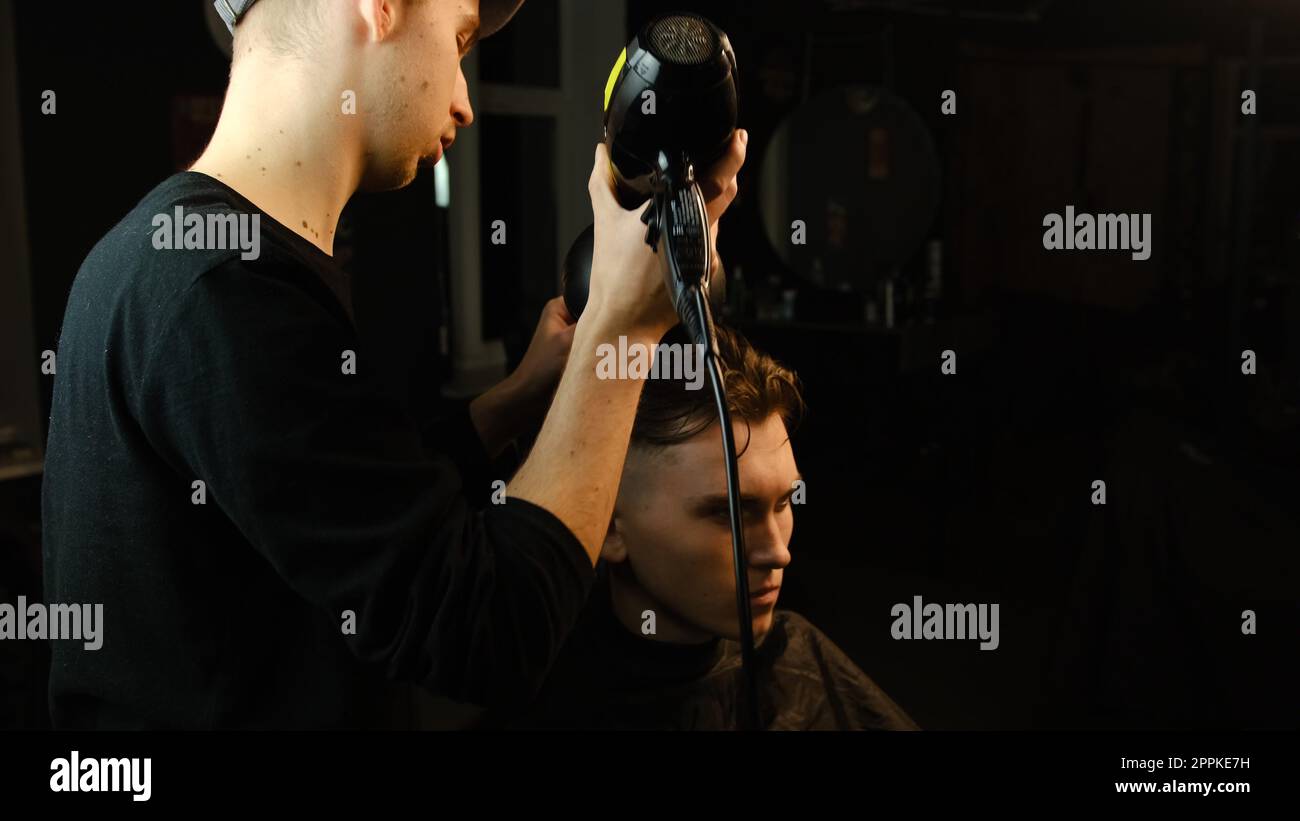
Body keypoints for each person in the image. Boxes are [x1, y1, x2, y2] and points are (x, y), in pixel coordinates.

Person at [40, 0, 746, 728]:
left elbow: (354, 527)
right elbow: (490, 632)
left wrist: (518, 397)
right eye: (461, 39)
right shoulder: (223, 293)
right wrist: (620, 331)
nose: (465, 102)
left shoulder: (172, 258)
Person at [493, 326, 918, 730]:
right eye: (728, 512)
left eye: (784, 502)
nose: (778, 552)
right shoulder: (547, 696)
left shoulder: (799, 658)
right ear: (607, 528)